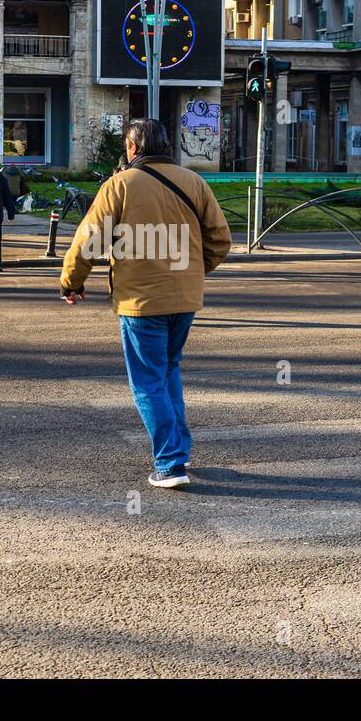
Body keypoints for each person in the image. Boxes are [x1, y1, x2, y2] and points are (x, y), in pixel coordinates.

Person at [59, 119, 232, 490]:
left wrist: (70, 282)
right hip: (185, 300)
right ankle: (178, 453)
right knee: (168, 372)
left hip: (140, 302)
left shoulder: (119, 185)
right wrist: (193, 272)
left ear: (133, 148)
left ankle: (169, 464)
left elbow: (90, 239)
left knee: (148, 382)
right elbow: (219, 239)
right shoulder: (195, 183)